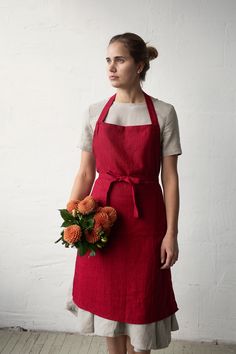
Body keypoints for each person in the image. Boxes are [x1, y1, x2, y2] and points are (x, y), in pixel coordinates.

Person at [66, 32, 182, 354]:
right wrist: (71, 217)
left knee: (141, 306)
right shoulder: (94, 112)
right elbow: (86, 172)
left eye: (120, 60)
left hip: (146, 224)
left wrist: (171, 234)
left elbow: (169, 179)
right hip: (102, 222)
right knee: (108, 307)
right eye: (108, 60)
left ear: (140, 65)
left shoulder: (164, 113)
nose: (111, 68)